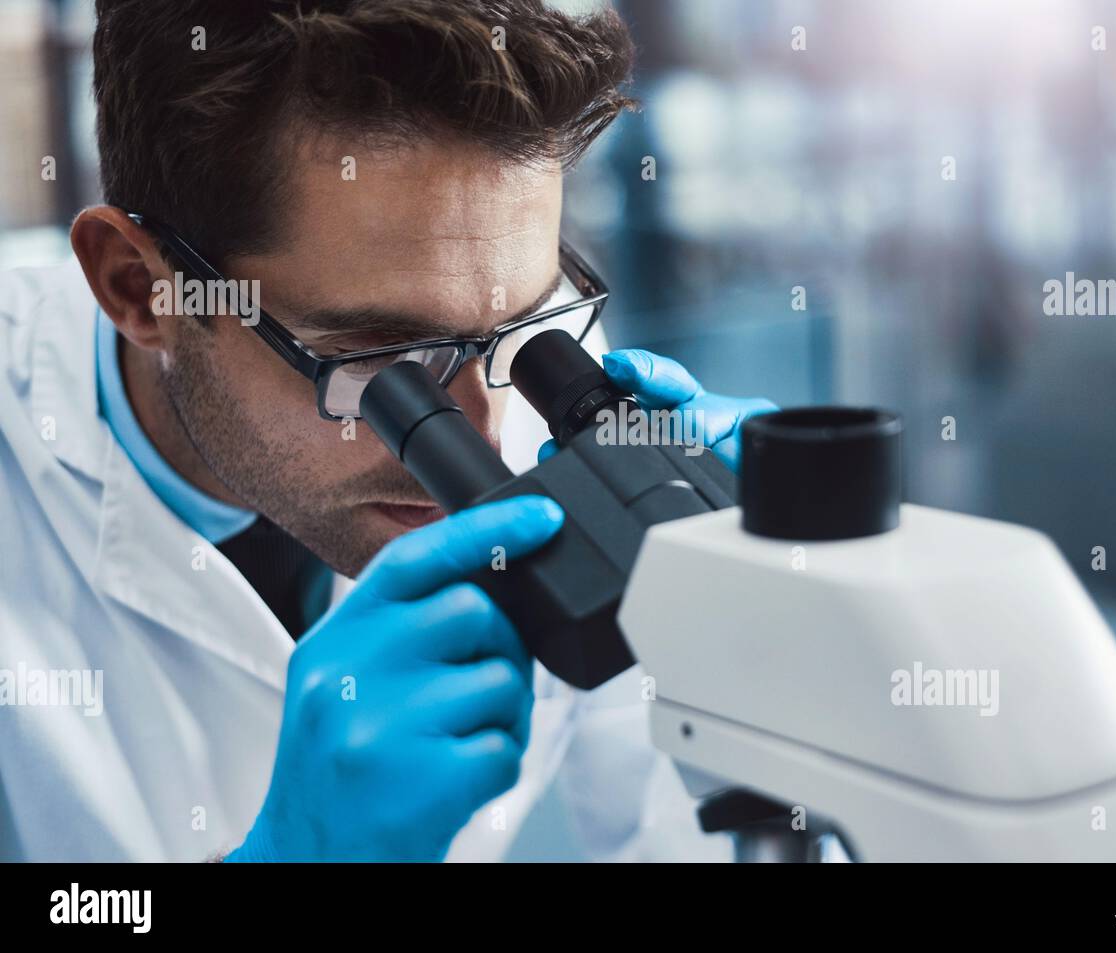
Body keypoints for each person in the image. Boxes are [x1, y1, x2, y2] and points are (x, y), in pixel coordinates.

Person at [0, 0, 775, 861]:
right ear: (141, 289)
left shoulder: (527, 385)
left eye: (521, 329)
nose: (481, 433)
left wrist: (770, 685)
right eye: (385, 365)